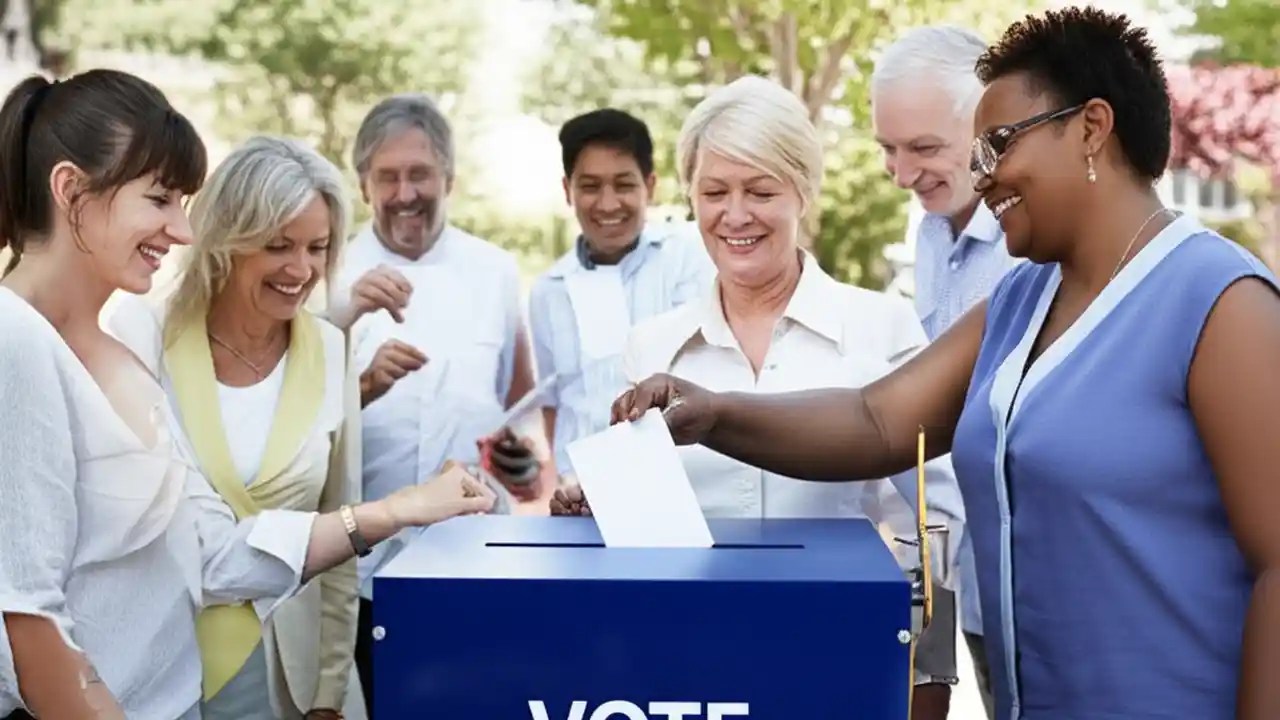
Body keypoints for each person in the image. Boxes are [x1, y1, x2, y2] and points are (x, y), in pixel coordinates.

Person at [612, 8, 1280, 720]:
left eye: (996, 145)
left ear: (1090, 128)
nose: (981, 177)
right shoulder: (1022, 301)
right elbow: (877, 420)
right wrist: (714, 411)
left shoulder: (1219, 301)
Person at [0, 69, 494, 720]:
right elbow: (28, 623)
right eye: (159, 199)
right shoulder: (20, 341)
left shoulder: (113, 356)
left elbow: (212, 554)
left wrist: (397, 510)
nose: (181, 230)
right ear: (70, 191)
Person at [551, 75, 966, 720]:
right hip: (684, 673)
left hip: (840, 666)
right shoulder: (652, 346)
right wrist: (591, 510)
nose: (735, 215)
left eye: (761, 191)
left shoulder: (881, 330)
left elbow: (935, 531)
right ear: (690, 198)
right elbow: (641, 535)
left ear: (802, 192)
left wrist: (929, 680)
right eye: (714, 192)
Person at [107, 137, 366, 719]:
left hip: (299, 680)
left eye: (318, 248)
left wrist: (330, 689)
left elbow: (344, 518)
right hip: (171, 669)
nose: (301, 270)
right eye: (278, 246)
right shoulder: (145, 339)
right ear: (227, 239)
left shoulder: (330, 347)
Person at [323, 92, 538, 715]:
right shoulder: (330, 274)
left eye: (420, 174)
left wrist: (517, 453)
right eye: (387, 176)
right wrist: (363, 386)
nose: (405, 191)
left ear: (450, 179)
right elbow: (292, 425)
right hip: (359, 568)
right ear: (364, 185)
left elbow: (517, 399)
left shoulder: (495, 271)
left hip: (476, 556)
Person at [872, 24, 1022, 718]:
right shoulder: (931, 233)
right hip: (950, 576)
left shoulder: (1035, 244)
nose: (903, 175)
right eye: (888, 152)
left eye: (923, 148)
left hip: (1032, 586)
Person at [529, 108, 714, 477]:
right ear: (568, 190)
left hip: (684, 485)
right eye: (591, 186)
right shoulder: (548, 292)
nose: (608, 204)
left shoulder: (692, 256)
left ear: (650, 185)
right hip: (582, 496)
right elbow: (553, 406)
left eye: (624, 184)